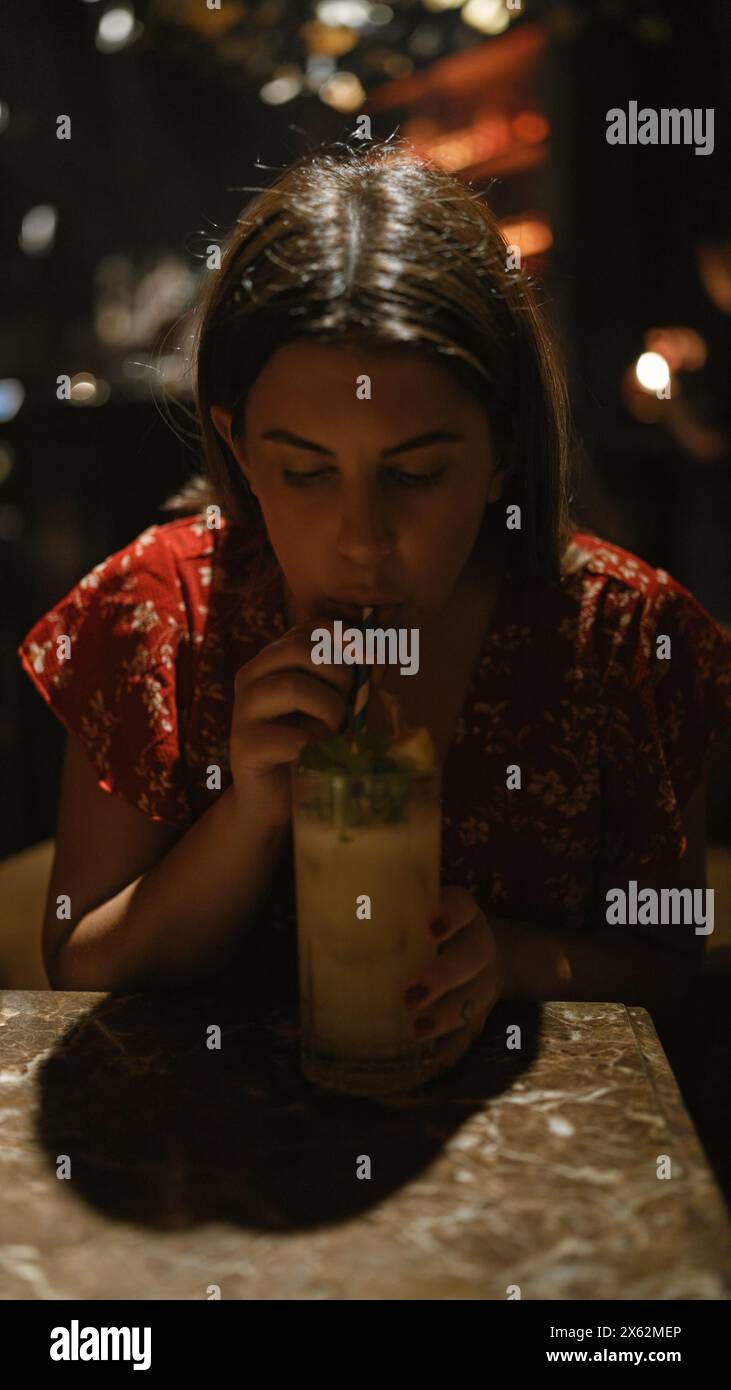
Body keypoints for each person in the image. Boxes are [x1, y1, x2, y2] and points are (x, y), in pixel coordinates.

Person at [17, 141, 731, 1075]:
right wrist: (250, 813)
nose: (361, 539)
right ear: (235, 444)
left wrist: (508, 960)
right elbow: (77, 962)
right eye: (306, 471)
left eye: (417, 472)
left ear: (504, 450)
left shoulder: (625, 637)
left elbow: (669, 958)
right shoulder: (157, 613)